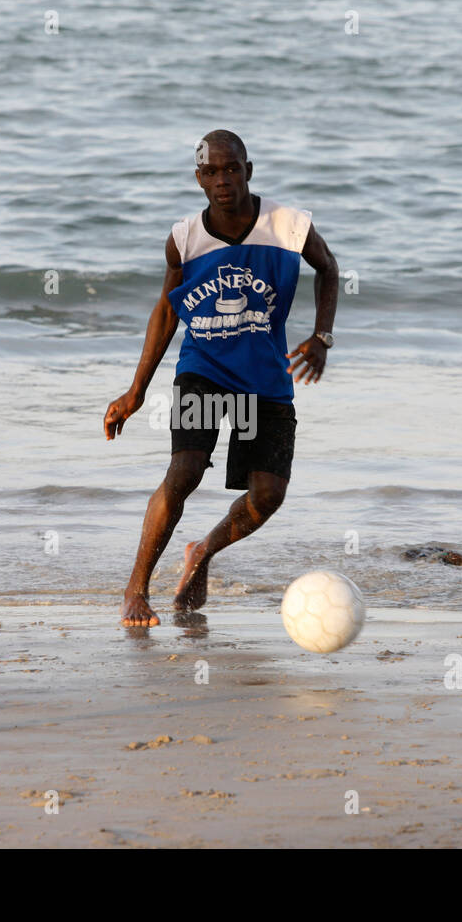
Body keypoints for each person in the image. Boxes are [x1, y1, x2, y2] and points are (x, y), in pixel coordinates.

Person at [104, 130, 339, 627]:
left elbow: (328, 268)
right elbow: (166, 315)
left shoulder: (289, 226)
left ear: (248, 170)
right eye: (211, 172)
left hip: (264, 377)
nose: (222, 180)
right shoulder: (185, 238)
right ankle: (135, 591)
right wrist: (135, 391)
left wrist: (321, 336)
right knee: (185, 471)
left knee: (268, 494)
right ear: (199, 179)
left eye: (231, 169)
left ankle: (203, 551)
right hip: (204, 372)